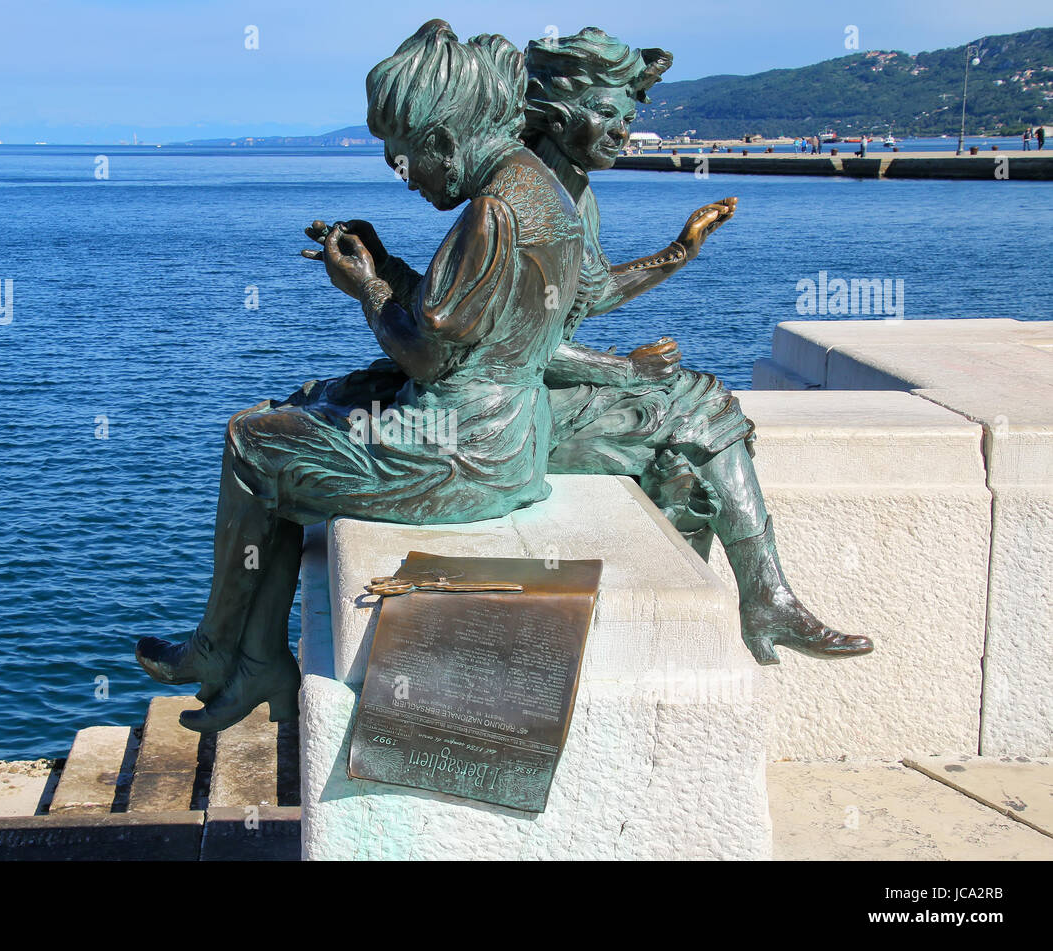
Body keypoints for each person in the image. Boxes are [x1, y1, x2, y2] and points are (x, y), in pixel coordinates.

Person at [134, 20, 585, 732]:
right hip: (513, 437)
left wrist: (366, 291)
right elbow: (465, 314)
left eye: (405, 158)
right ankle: (256, 659)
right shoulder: (540, 192)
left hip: (461, 454)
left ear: (443, 140)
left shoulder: (493, 213)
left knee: (253, 443)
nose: (404, 175)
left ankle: (221, 649)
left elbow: (429, 355)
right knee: (310, 408)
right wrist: (390, 268)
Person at [521, 28, 871, 665]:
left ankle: (758, 593)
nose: (622, 133)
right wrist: (623, 369)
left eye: (626, 118)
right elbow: (517, 349)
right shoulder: (530, 204)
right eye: (606, 114)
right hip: (520, 410)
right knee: (695, 409)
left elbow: (590, 291)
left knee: (701, 399)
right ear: (553, 110)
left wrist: (682, 248)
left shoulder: (569, 191)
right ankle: (762, 596)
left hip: (544, 384)